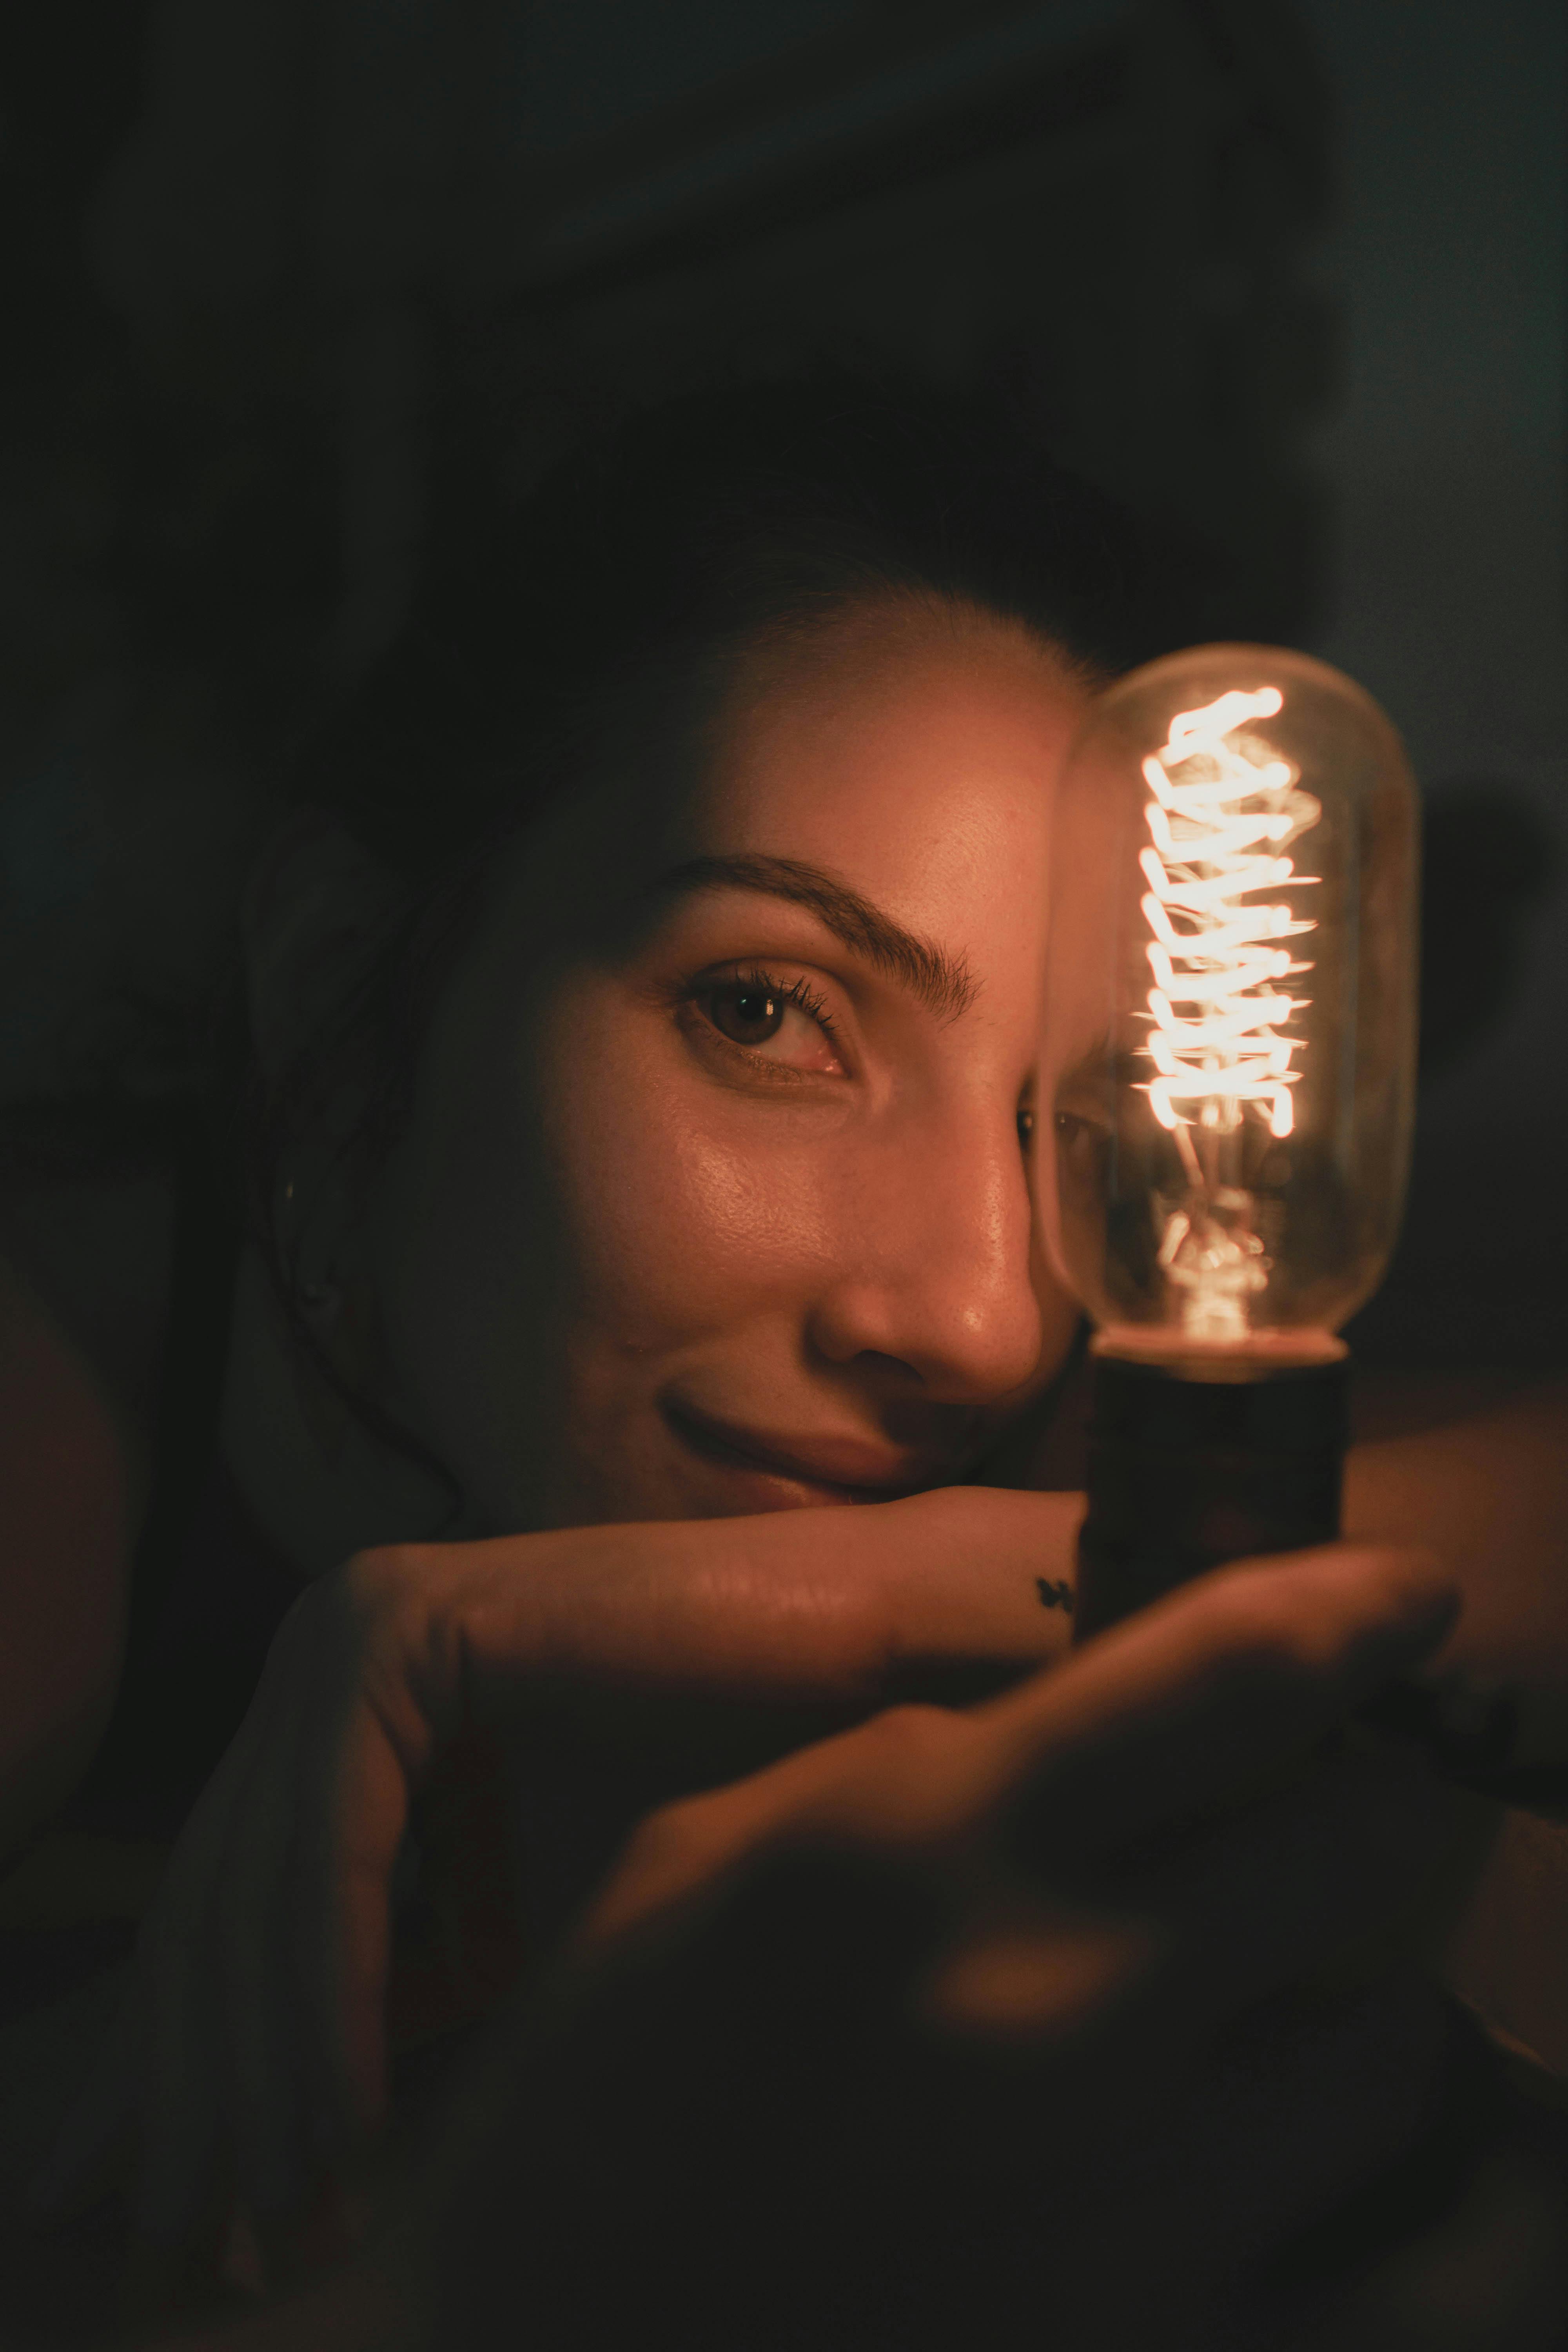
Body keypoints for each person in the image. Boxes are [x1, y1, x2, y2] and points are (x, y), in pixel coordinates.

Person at [4, 377, 1567, 2334]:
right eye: (766, 1012)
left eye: (1069, 1120)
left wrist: (732, 1606)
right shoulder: (53, 1428)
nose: (979, 1313)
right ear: (344, 974)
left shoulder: (1059, 1351)